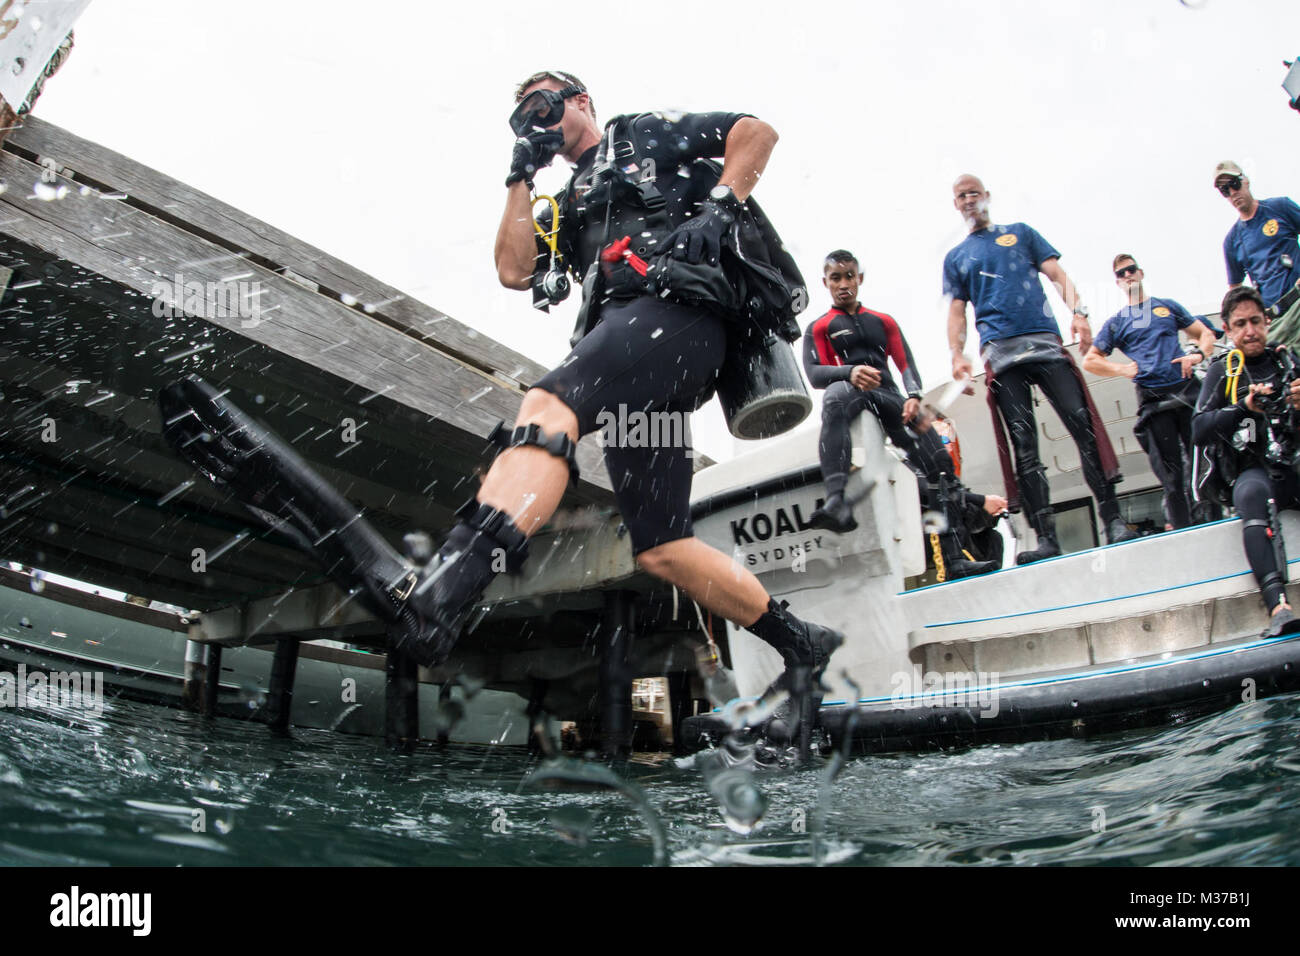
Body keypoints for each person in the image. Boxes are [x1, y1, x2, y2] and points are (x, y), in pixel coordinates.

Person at [480, 71, 842, 711]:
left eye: (543, 106)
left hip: (674, 323)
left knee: (551, 406)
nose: (536, 122)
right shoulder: (562, 205)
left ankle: (470, 558)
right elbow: (514, 270)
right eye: (523, 118)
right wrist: (519, 174)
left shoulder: (641, 135)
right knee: (663, 547)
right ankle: (800, 642)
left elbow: (756, 134)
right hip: (635, 382)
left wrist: (720, 208)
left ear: (581, 100)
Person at [944, 174, 1137, 564]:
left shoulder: (1020, 233)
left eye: (975, 193)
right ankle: (1047, 538)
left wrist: (1079, 313)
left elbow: (1057, 275)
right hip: (1002, 357)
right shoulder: (957, 257)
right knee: (1025, 449)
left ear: (987, 196)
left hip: (1046, 346)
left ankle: (1113, 519)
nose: (969, 200)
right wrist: (956, 354)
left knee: (1083, 427)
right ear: (956, 204)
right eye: (962, 196)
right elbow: (957, 310)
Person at [803, 249, 1005, 579]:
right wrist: (849, 372)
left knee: (941, 465)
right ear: (825, 282)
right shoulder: (820, 327)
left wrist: (913, 395)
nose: (843, 284)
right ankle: (836, 501)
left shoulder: (883, 321)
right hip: (850, 388)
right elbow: (814, 374)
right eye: (835, 278)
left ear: (859, 278)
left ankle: (955, 558)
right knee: (834, 400)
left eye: (849, 276)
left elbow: (906, 363)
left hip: (890, 396)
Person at [1192, 286, 1300, 637]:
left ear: (1267, 321)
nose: (1250, 331)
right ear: (1227, 329)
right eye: (1240, 324)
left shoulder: (1287, 361)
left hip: (1293, 465)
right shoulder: (1224, 371)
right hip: (1254, 472)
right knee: (1250, 495)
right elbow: (1199, 429)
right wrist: (1244, 408)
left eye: (1255, 321)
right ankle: (1278, 607)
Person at [1083, 254, 1219, 530]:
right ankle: (1183, 532)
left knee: (1203, 465)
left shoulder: (1167, 307)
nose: (1127, 275)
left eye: (1131, 269)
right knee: (1172, 478)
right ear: (1117, 282)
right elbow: (1090, 360)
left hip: (1186, 393)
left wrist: (1197, 355)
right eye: (1121, 273)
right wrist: (1121, 369)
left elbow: (1205, 334)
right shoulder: (1117, 322)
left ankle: (1216, 523)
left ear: (1141, 273)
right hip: (1154, 403)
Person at [1215, 161, 1300, 347]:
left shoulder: (1280, 207)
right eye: (1225, 190)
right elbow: (1235, 290)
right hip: (1274, 321)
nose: (1232, 193)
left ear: (1245, 180)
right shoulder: (1232, 240)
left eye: (1234, 184)